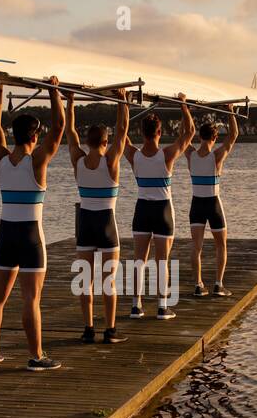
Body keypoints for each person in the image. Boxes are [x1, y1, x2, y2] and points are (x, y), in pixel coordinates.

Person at [0, 77, 65, 370]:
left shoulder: (0, 159)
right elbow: (58, 129)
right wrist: (55, 92)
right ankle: (36, 356)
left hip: (5, 235)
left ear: (14, 135)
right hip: (31, 238)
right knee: (31, 300)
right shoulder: (38, 162)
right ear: (34, 137)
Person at [66, 87, 129, 344]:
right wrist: (121, 100)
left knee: (85, 281)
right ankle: (110, 331)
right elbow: (123, 130)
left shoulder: (78, 161)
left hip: (85, 226)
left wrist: (68, 103)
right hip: (106, 226)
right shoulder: (111, 162)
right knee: (108, 282)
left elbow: (69, 133)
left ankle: (88, 329)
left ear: (88, 141)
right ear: (105, 142)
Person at [123, 95, 194, 319]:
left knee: (139, 260)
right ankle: (162, 307)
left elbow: (121, 134)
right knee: (162, 261)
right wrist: (183, 105)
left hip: (142, 210)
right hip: (163, 210)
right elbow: (189, 133)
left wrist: (123, 104)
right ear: (159, 132)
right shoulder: (167, 155)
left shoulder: (134, 155)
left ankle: (136, 306)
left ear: (142, 133)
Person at [186, 104, 239, 297]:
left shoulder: (190, 154)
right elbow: (233, 135)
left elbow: (185, 133)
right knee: (221, 245)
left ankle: (198, 285)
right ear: (215, 138)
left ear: (200, 136)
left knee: (196, 246)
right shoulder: (217, 156)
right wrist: (231, 111)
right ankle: (218, 284)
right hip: (213, 204)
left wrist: (186, 110)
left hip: (196, 204)